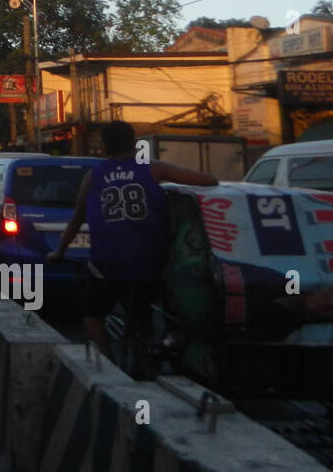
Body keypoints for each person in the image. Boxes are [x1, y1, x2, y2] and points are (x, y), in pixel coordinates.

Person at [48, 120, 218, 355]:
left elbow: (77, 219)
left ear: (105, 146)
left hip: (108, 264)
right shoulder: (153, 168)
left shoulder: (94, 176)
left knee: (91, 313)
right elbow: (210, 181)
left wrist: (59, 252)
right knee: (144, 309)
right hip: (150, 261)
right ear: (134, 143)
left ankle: (105, 357)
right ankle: (144, 348)